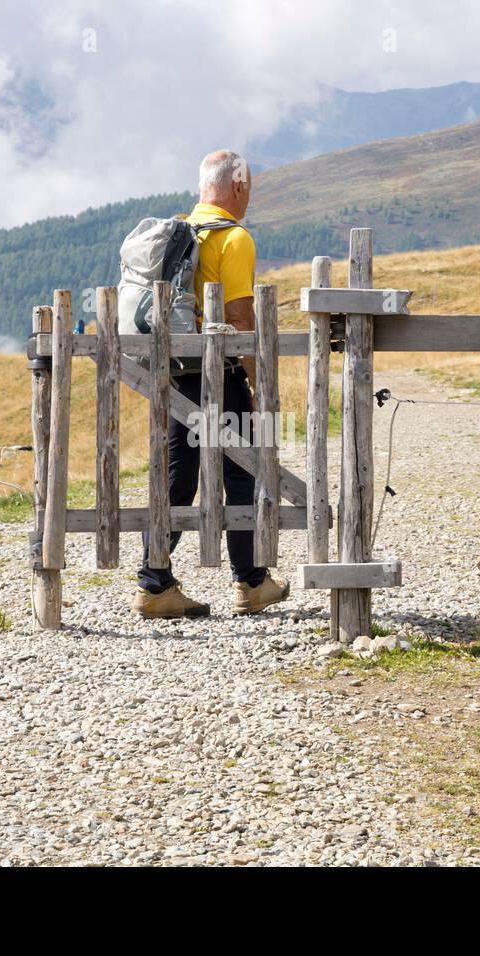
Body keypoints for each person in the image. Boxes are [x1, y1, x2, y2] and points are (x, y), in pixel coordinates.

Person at [132, 149, 290, 619]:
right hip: (220, 374)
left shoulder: (178, 235)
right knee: (246, 469)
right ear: (238, 185)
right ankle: (251, 583)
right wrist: (261, 384)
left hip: (177, 371)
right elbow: (240, 318)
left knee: (178, 474)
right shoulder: (234, 238)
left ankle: (154, 582)